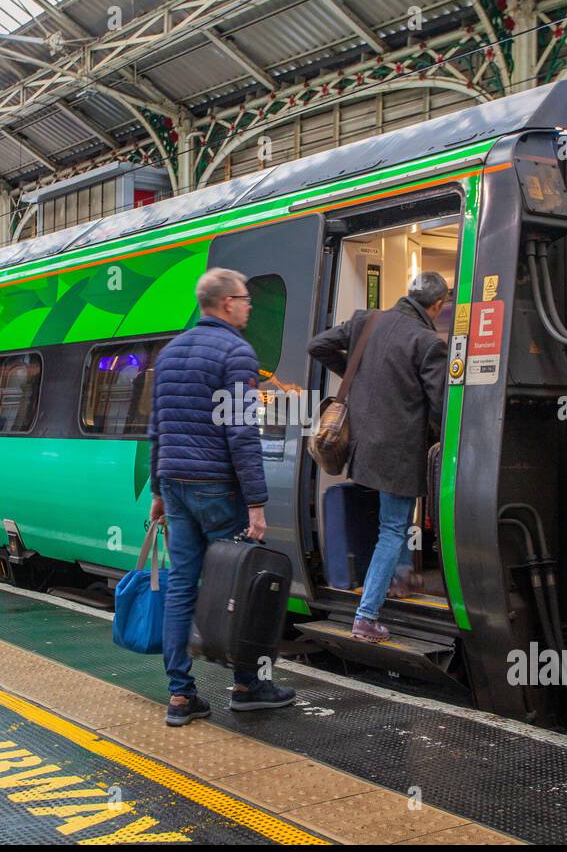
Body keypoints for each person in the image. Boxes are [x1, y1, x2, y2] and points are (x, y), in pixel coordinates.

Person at [148, 267, 297, 726]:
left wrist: (157, 490)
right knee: (239, 581)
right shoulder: (236, 353)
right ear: (227, 303)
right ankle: (248, 684)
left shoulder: (171, 352)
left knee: (181, 583)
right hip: (216, 485)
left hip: (174, 482)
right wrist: (256, 503)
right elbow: (241, 432)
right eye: (246, 299)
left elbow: (158, 428)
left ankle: (179, 695)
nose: (250, 305)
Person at [307, 272, 449, 643]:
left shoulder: (365, 320)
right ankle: (366, 616)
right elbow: (440, 407)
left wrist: (357, 377)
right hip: (398, 453)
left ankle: (399, 576)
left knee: (392, 522)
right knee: (392, 527)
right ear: (437, 305)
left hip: (362, 446)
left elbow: (318, 345)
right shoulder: (427, 342)